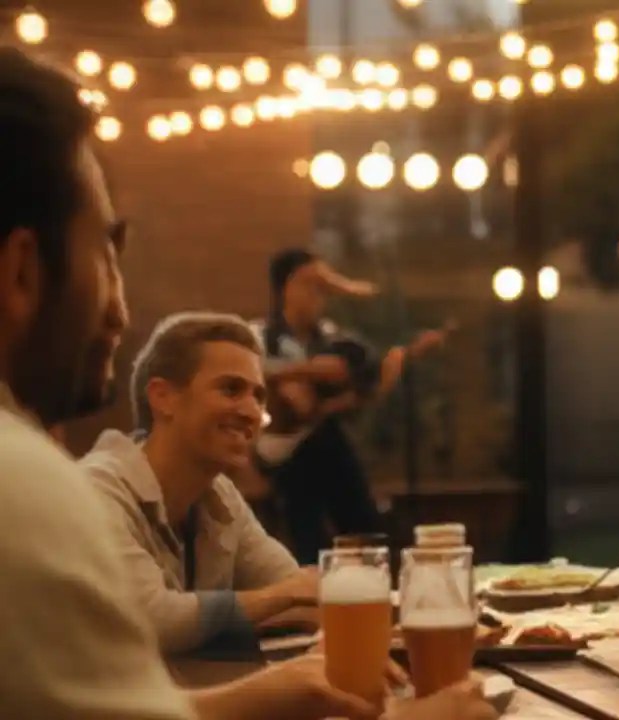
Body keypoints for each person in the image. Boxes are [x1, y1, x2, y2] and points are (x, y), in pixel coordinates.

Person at [0, 45, 492, 719]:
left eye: (256, 393)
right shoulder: (28, 483)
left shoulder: (218, 499)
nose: (119, 309)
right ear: (22, 271)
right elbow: (173, 616)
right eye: (105, 254)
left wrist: (279, 681)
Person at [80, 312, 320, 654]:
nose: (251, 411)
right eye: (231, 389)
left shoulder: (220, 495)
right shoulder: (99, 490)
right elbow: (148, 619)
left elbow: (304, 597)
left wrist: (288, 599)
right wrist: (280, 598)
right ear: (163, 397)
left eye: (258, 396)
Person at [255, 248, 445, 562]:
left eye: (322, 289)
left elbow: (347, 393)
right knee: (309, 476)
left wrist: (384, 376)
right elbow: (258, 376)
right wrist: (310, 371)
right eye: (309, 284)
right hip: (281, 452)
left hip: (321, 438)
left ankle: (368, 556)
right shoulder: (259, 335)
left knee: (336, 462)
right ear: (284, 288)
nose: (318, 296)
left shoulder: (331, 336)